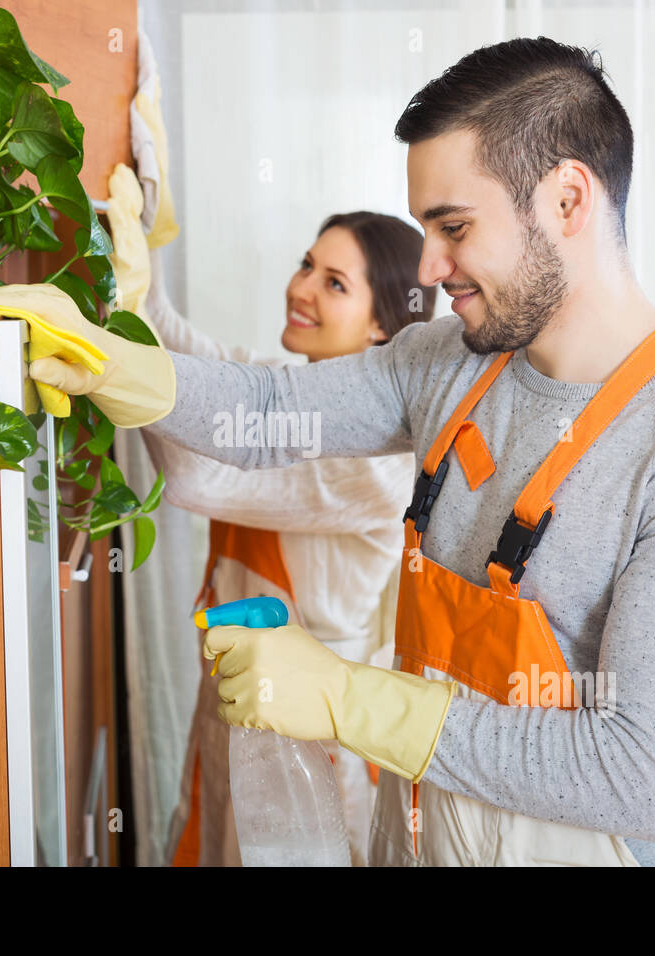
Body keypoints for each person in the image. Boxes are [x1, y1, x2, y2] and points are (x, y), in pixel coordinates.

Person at [0, 36, 655, 867]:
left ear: (566, 201)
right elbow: (272, 410)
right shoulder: (450, 362)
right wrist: (122, 363)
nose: (428, 265)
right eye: (424, 228)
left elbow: (637, 775)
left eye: (453, 226)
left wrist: (348, 700)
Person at [138, 212, 437, 866]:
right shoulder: (289, 390)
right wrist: (145, 228)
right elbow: (178, 350)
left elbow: (196, 473)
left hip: (309, 740)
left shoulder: (377, 465)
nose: (300, 287)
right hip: (234, 705)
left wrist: (113, 368)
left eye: (333, 284)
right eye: (307, 265)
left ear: (383, 325)